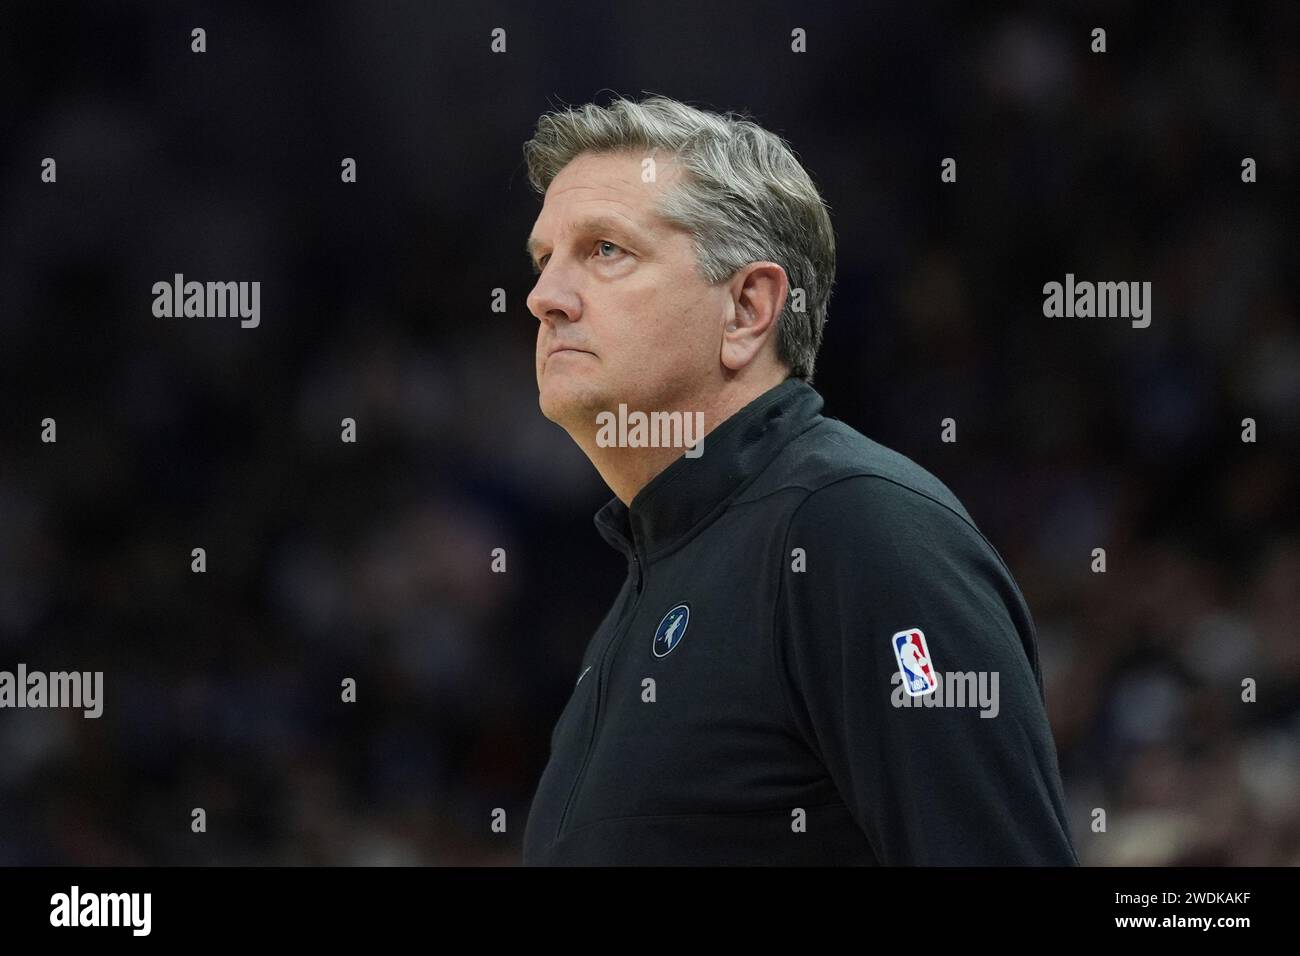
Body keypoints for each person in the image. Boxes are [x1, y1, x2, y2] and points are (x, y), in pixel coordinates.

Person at [519, 93, 1078, 865]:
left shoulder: (855, 528)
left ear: (748, 307)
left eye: (606, 249)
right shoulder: (646, 585)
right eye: (545, 259)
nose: (544, 296)